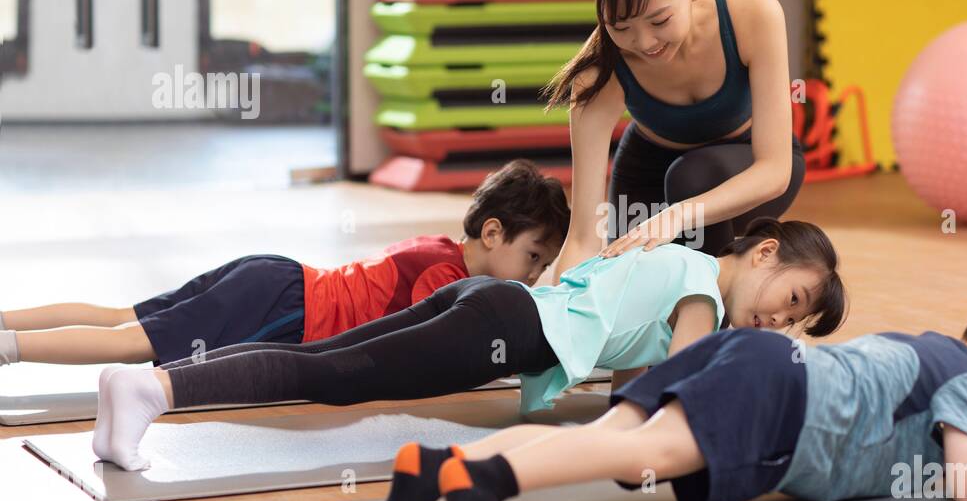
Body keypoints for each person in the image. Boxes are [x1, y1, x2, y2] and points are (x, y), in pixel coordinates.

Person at [372, 275, 967, 501]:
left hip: (759, 357)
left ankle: (433, 468)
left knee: (607, 440)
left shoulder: (933, 349)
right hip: (783, 401)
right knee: (644, 452)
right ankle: (486, 483)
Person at [93, 218, 845, 472]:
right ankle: (154, 392)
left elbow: (633, 379)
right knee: (333, 374)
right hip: (501, 326)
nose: (782, 322)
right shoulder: (702, 292)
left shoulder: (680, 268)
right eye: (793, 301)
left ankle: (149, 387)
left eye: (796, 323)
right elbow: (676, 387)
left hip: (493, 306)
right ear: (766, 254)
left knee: (331, 362)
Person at [0, 159, 567, 368]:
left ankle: (9, 323)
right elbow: (426, 353)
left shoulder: (436, 249)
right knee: (132, 343)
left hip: (274, 277)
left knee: (122, 316)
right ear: (493, 233)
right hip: (284, 305)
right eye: (533, 258)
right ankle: (10, 348)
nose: (534, 276)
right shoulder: (447, 278)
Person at [541, 0, 806, 281]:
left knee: (691, 183)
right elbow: (584, 236)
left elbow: (774, 169)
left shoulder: (755, 13)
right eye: (621, 27)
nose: (645, 42)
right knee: (626, 278)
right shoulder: (597, 72)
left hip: (746, 168)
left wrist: (678, 215)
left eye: (659, 20)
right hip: (649, 169)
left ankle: (718, 327)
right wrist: (558, 313)